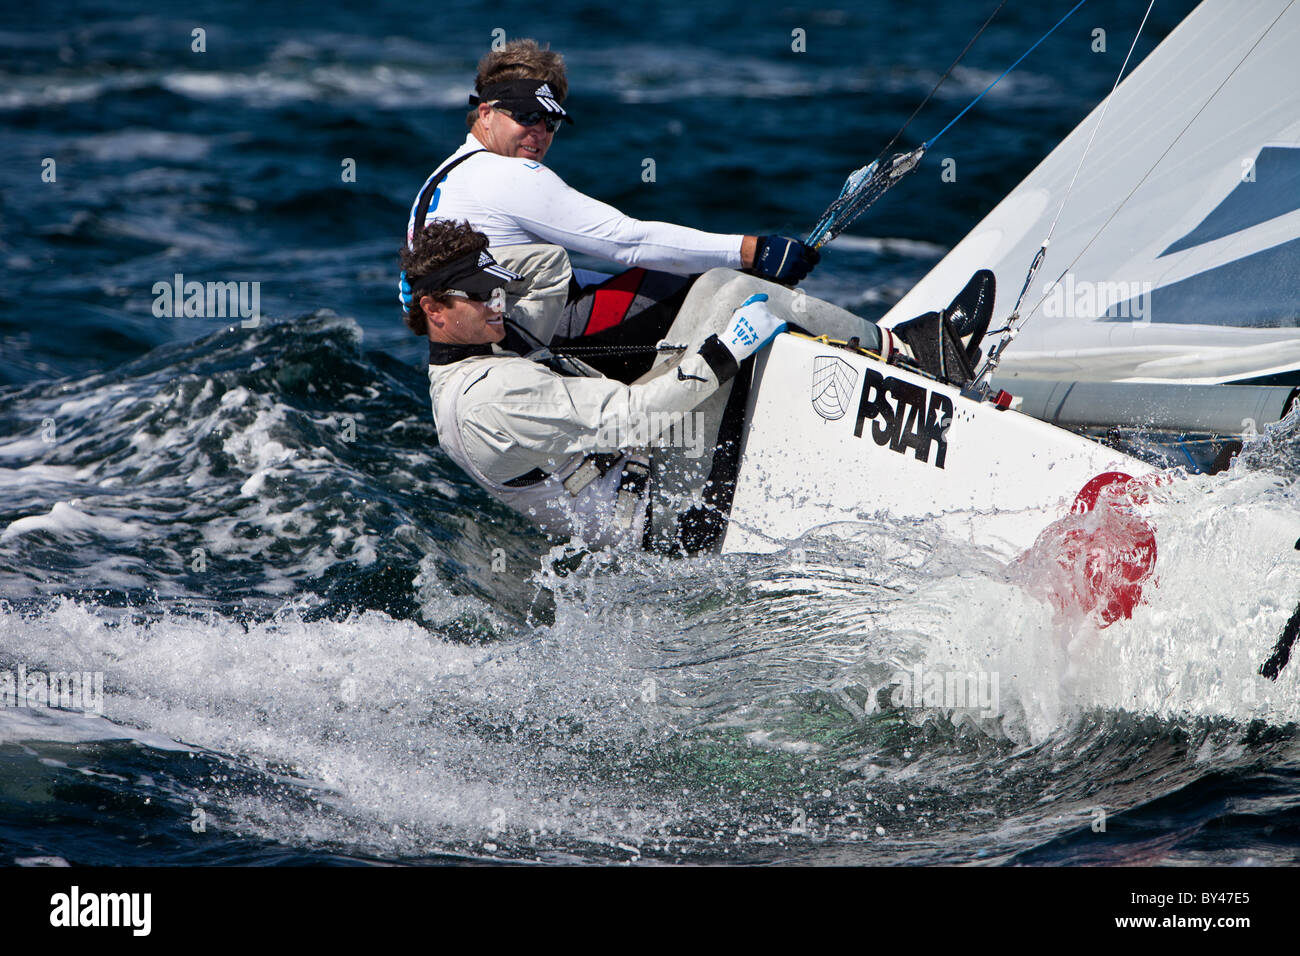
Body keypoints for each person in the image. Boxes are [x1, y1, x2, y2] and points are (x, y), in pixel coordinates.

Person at [405, 220, 995, 554]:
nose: (498, 302)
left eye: (496, 287)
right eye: (480, 294)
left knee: (717, 281)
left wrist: (466, 258)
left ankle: (899, 349)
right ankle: (922, 350)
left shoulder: (482, 337)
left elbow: (553, 266)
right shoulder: (490, 396)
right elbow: (635, 417)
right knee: (739, 300)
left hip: (645, 464)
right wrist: (723, 352)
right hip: (663, 511)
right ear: (434, 310)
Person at [399, 39, 828, 378]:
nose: (540, 133)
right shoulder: (506, 174)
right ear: (486, 113)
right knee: (718, 287)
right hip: (525, 339)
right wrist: (754, 252)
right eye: (527, 116)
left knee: (662, 280)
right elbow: (629, 241)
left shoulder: (440, 180)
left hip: (478, 347)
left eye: (551, 122)